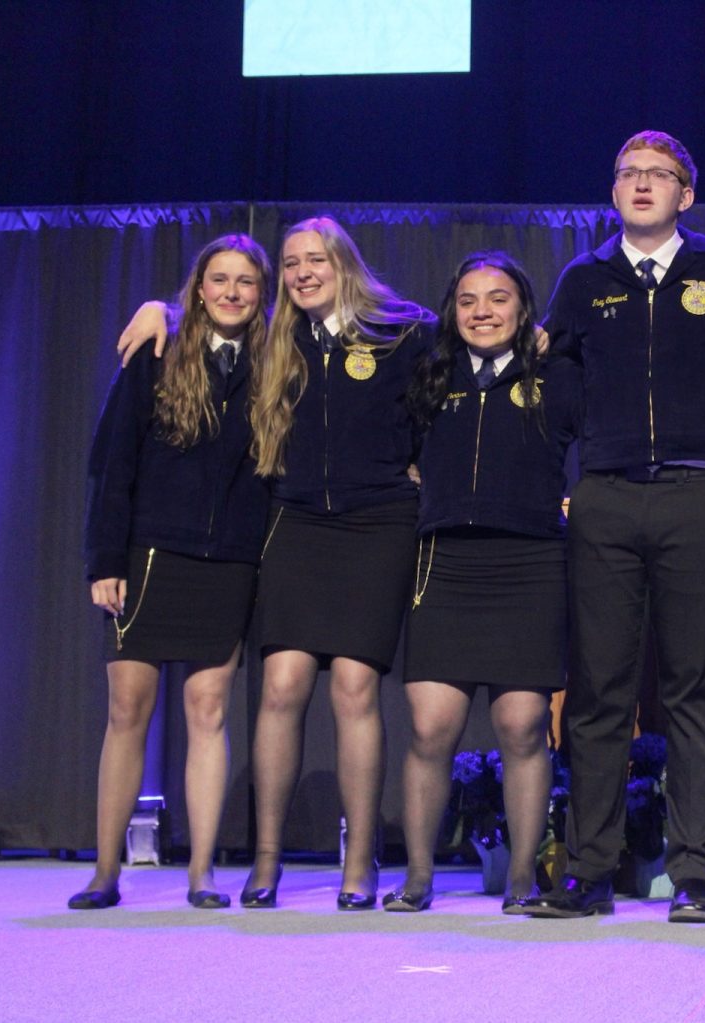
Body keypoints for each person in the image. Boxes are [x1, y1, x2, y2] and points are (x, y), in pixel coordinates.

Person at [118, 217, 435, 910]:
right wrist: (160, 310)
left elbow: (468, 363)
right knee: (282, 683)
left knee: (354, 685)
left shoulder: (405, 332)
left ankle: (360, 861)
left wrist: (537, 338)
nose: (302, 273)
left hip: (378, 522)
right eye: (290, 264)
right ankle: (266, 860)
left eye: (315, 260)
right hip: (295, 522)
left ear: (343, 263)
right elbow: (211, 320)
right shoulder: (274, 342)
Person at [522, 131, 705, 922]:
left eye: (659, 175)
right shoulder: (582, 280)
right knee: (598, 691)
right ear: (614, 190)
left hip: (700, 493)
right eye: (628, 173)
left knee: (693, 689)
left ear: (686, 195)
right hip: (607, 496)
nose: (642, 184)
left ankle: (694, 873)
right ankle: (589, 870)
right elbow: (558, 390)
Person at [71, 234, 273, 910]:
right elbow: (112, 463)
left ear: (262, 293)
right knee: (127, 709)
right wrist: (105, 559)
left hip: (228, 562)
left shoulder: (277, 363)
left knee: (207, 710)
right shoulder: (157, 351)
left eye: (246, 281)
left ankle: (202, 874)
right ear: (199, 288)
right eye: (220, 279)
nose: (232, 292)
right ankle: (105, 872)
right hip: (149, 555)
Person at [385, 252, 581, 914]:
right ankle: (418, 875)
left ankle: (523, 876)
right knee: (430, 727)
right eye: (468, 300)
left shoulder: (557, 376)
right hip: (444, 564)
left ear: (524, 310)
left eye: (498, 298)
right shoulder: (427, 371)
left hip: (530, 564)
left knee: (522, 726)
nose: (482, 311)